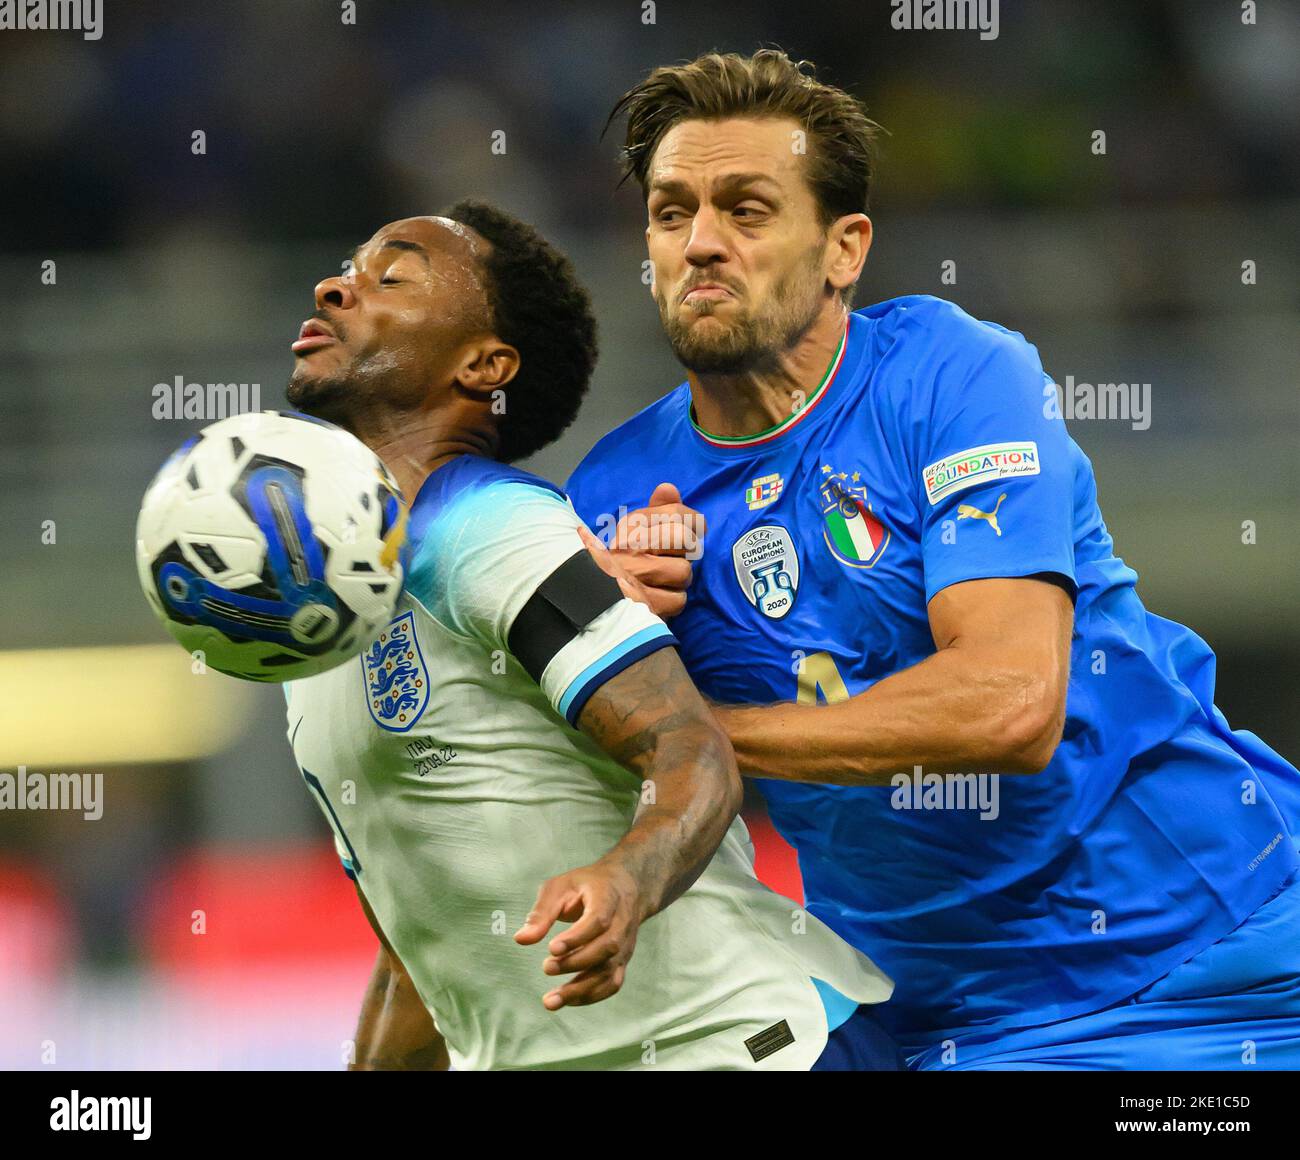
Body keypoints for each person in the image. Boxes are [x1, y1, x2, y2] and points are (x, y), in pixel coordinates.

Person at [565, 49, 1300, 1070]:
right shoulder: (615, 494)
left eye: (745, 209)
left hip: (1192, 960)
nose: (698, 244)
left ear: (842, 248)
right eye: (669, 210)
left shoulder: (951, 376)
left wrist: (681, 730)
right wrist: (609, 655)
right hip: (915, 1003)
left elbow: (1007, 704)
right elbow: (567, 776)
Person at [282, 200, 896, 1070]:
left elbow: (694, 752)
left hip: (740, 1046)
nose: (335, 289)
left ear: (483, 365)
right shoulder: (326, 611)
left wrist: (628, 879)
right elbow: (422, 949)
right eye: (348, 269)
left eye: (392, 277)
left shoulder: (490, 529)